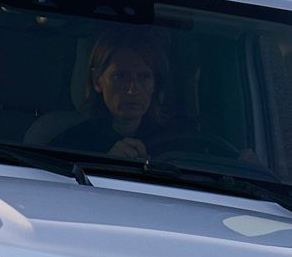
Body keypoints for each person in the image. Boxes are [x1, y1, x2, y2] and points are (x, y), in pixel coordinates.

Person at [27, 23, 187, 164]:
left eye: (144, 77)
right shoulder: (71, 145)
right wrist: (105, 163)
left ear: (155, 84)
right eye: (120, 76)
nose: (132, 89)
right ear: (97, 81)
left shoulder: (178, 146)